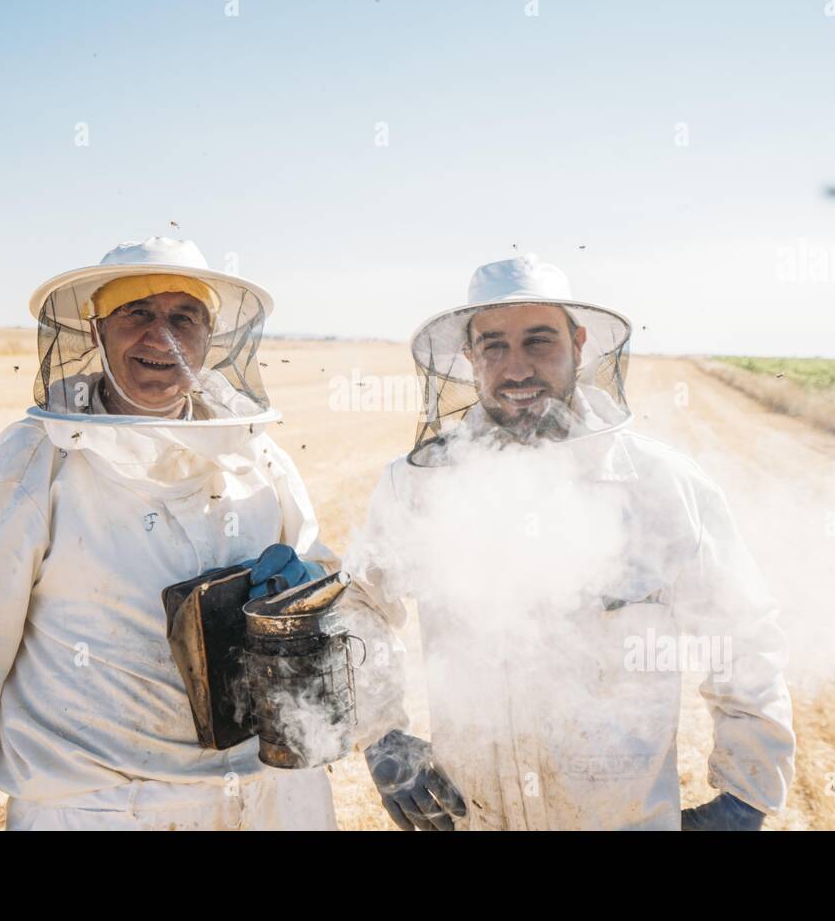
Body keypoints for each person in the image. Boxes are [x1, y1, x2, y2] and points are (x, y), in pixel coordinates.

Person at [0, 236, 335, 830]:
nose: (160, 335)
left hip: (269, 797)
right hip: (100, 810)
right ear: (96, 330)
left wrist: (305, 598)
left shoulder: (257, 456)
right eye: (136, 312)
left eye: (184, 317)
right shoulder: (36, 463)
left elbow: (327, 590)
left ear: (209, 337)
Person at [337, 253, 797, 830]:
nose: (517, 368)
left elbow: (742, 636)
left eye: (539, 341)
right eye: (494, 346)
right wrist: (381, 733)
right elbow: (360, 609)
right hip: (476, 817)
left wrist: (746, 798)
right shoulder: (417, 485)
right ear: (469, 357)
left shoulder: (662, 485)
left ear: (579, 345)